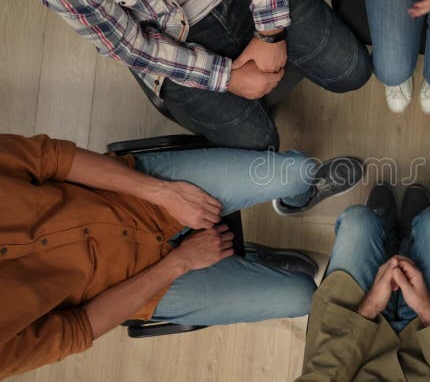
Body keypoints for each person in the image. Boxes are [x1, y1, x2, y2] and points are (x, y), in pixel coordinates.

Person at [0, 134, 364, 378]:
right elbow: (78, 328)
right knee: (301, 296)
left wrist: (162, 192)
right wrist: (179, 263)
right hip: (139, 285)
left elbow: (53, 159)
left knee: (298, 173)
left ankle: (293, 201)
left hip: (133, 197)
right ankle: (251, 258)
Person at [10, 0, 372, 151]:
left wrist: (269, 30)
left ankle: (268, 76)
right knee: (257, 146)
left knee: (351, 72)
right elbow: (127, 44)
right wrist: (226, 77)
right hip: (170, 40)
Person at [297, 184, 430, 381]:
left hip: (352, 350)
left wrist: (370, 307)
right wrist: (428, 313)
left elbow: (320, 376)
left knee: (358, 221)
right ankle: (410, 239)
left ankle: (388, 234)